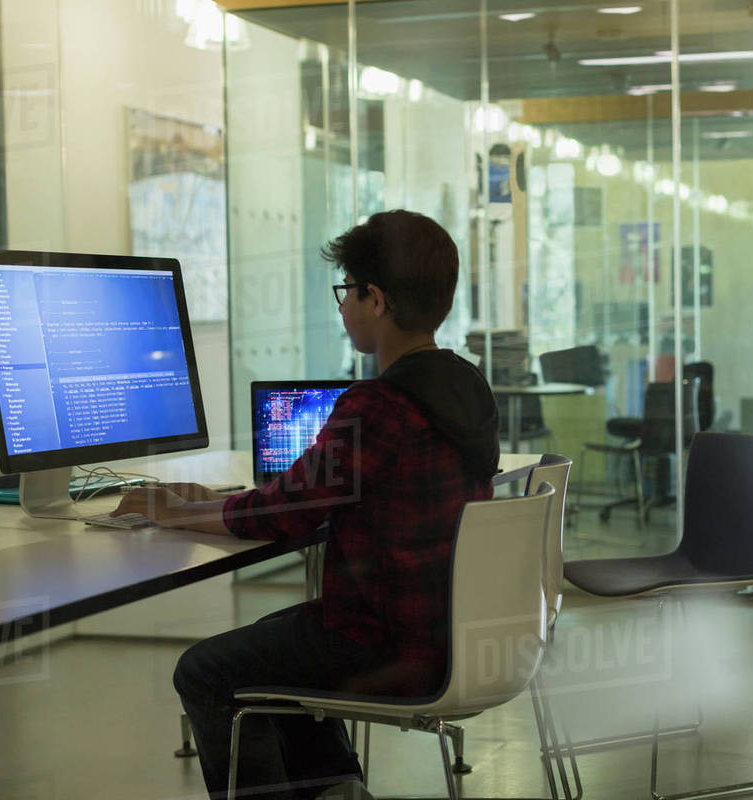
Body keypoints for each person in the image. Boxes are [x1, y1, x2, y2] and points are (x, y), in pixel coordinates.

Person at [113, 209, 500, 800]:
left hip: (387, 641)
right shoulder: (464, 385)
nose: (342, 305)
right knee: (274, 644)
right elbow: (303, 493)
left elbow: (285, 515)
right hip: (450, 630)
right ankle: (340, 791)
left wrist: (169, 511)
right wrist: (212, 502)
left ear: (375, 299)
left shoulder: (377, 406)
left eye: (347, 291)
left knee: (207, 670)